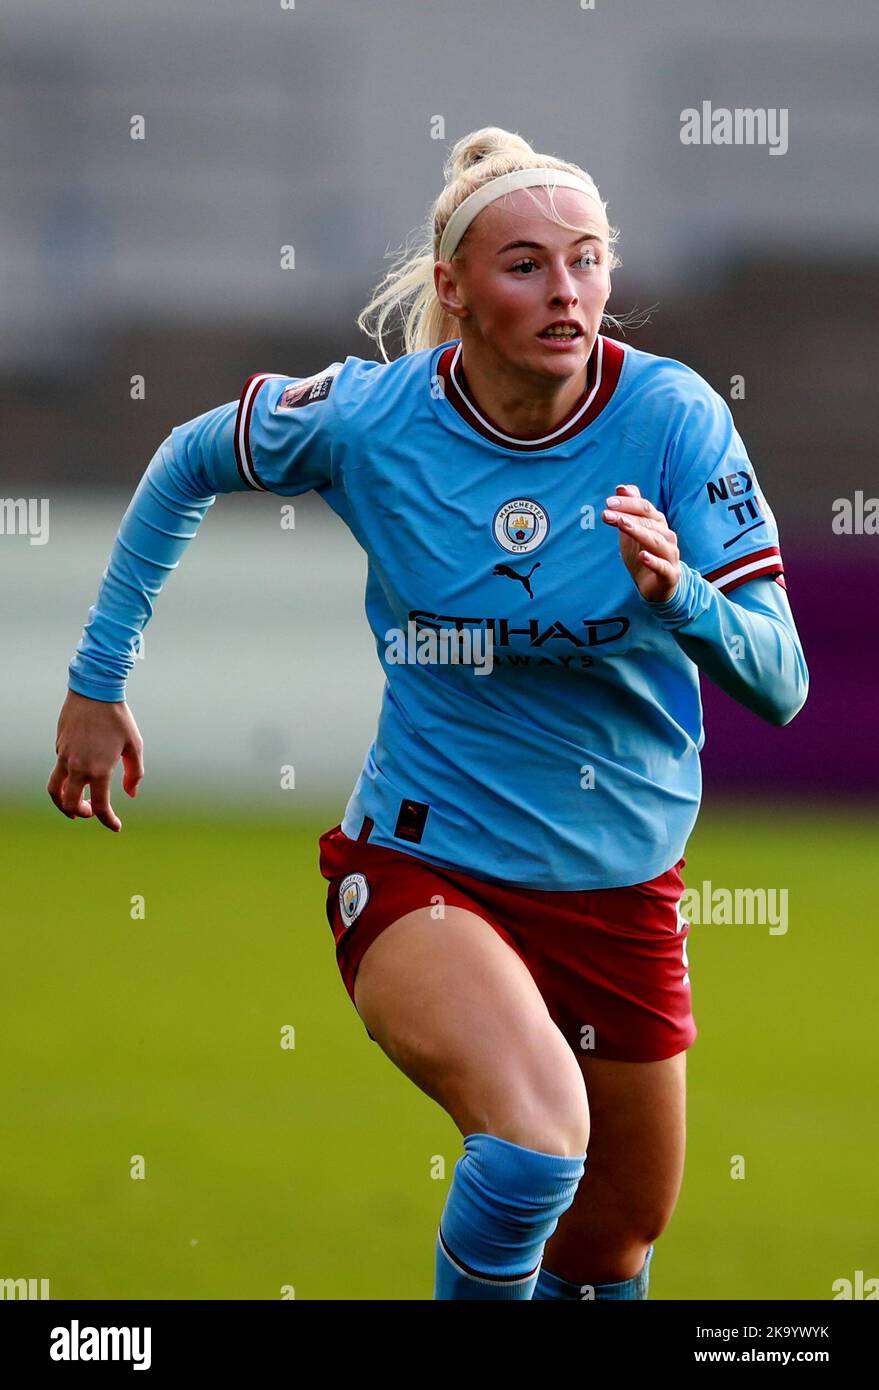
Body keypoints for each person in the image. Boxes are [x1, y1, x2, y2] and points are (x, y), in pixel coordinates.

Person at [49, 126, 809, 1301]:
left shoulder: (673, 419)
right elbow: (186, 458)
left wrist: (686, 598)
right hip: (425, 860)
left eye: (589, 259)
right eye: (527, 265)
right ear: (454, 290)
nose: (568, 291)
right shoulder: (370, 420)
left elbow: (782, 681)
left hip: (622, 890)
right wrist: (99, 681)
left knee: (610, 1255)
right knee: (533, 1142)